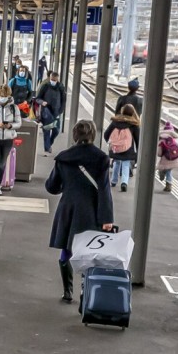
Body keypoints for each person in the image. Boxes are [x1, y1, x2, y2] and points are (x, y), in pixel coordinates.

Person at [46, 120, 116, 304]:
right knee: (90, 252)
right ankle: (86, 291)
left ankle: (67, 291)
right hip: (91, 210)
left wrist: (67, 185)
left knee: (66, 250)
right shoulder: (101, 158)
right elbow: (104, 190)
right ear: (92, 135)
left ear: (75, 135)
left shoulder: (63, 157)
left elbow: (52, 187)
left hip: (68, 208)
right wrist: (107, 218)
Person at [104, 105, 141, 192]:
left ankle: (113, 181)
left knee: (116, 162)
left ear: (122, 111)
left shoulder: (115, 121)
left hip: (116, 147)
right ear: (133, 113)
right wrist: (138, 151)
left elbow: (106, 134)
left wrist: (110, 143)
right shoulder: (133, 124)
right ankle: (124, 182)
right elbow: (138, 139)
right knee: (126, 164)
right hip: (128, 148)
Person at [35, 70, 67, 152]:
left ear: (57, 79)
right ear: (50, 78)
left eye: (54, 80)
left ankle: (49, 143)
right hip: (46, 112)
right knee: (46, 130)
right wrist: (42, 102)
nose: (53, 81)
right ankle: (47, 148)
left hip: (56, 112)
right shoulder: (45, 86)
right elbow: (37, 98)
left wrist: (60, 111)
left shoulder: (61, 87)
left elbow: (63, 100)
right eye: (52, 80)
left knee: (56, 130)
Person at [157, 121, 178, 192]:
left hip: (165, 159)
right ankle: (168, 184)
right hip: (175, 159)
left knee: (165, 169)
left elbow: (159, 153)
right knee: (169, 170)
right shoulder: (177, 140)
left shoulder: (162, 140)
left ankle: (163, 177)